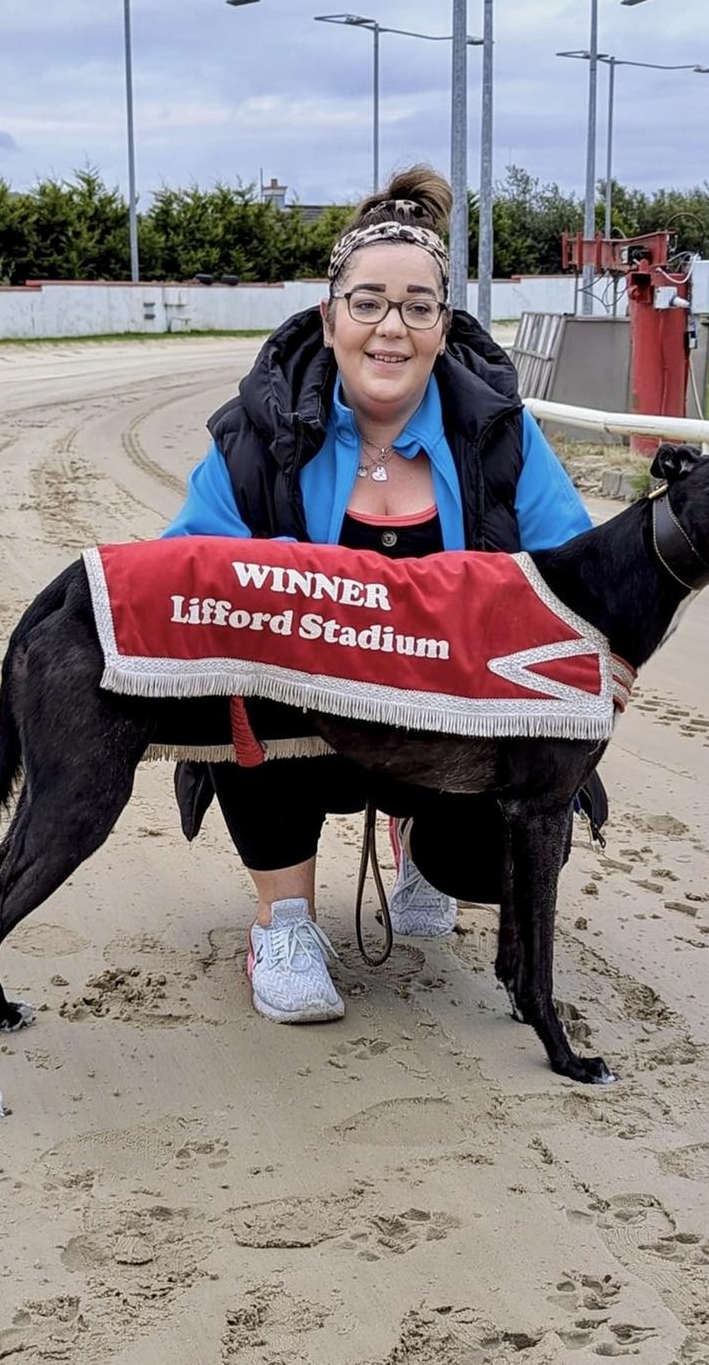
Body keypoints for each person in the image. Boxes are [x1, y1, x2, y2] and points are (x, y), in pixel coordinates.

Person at [163, 164, 593, 1024]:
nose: (390, 328)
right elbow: (186, 573)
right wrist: (286, 586)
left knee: (500, 856)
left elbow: (572, 578)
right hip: (304, 723)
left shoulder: (503, 438)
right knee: (247, 680)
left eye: (417, 306)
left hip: (446, 725)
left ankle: (426, 850)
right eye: (367, 303)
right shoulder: (256, 433)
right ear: (329, 320)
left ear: (445, 325)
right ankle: (281, 921)